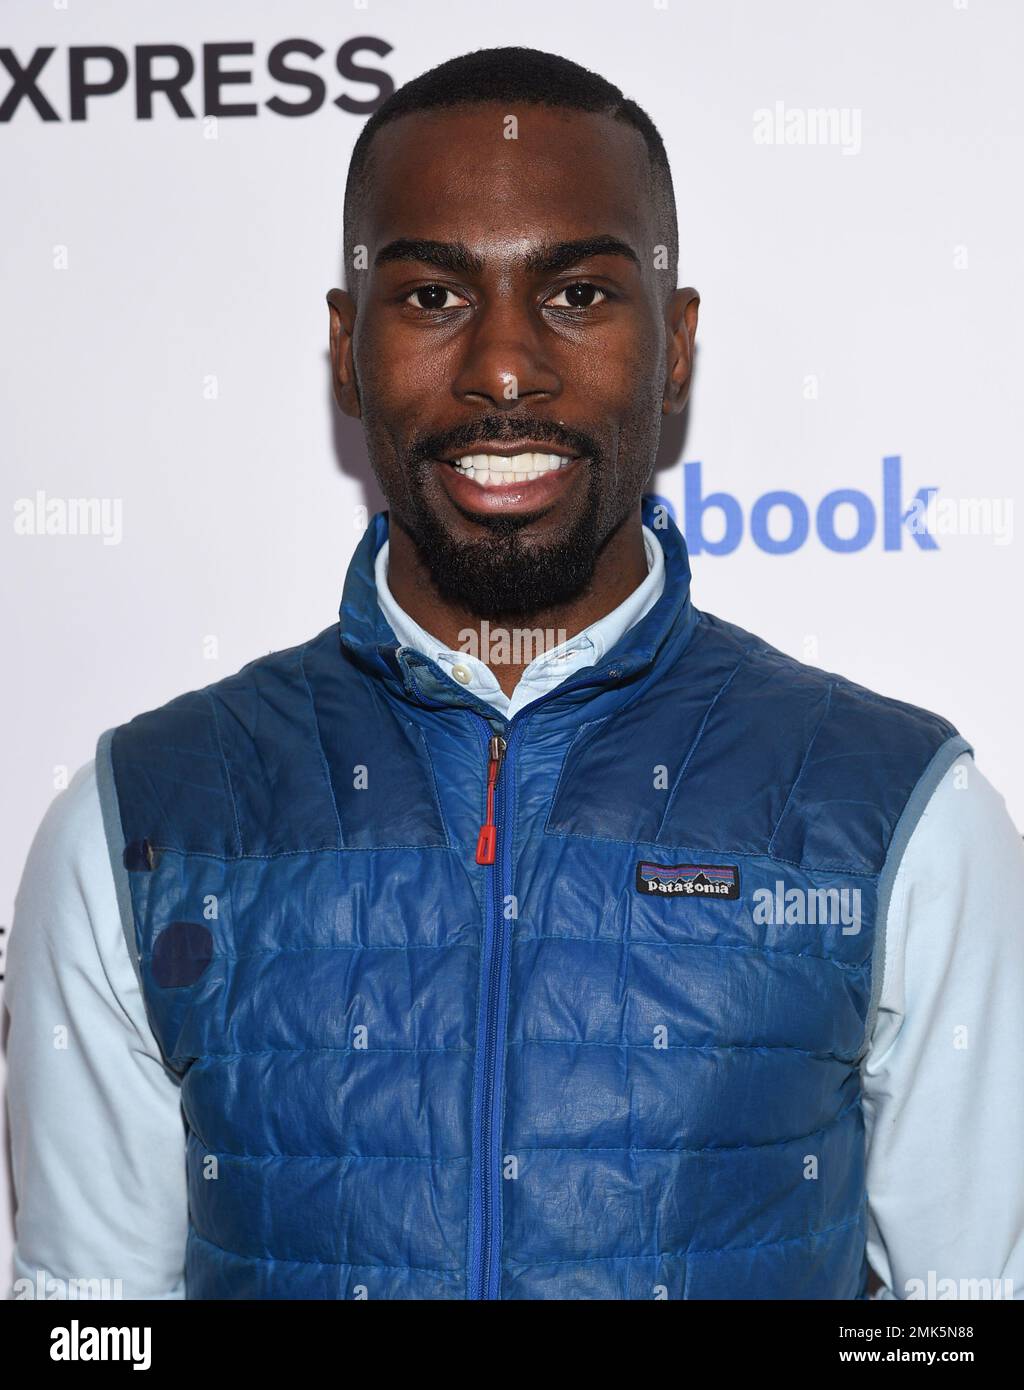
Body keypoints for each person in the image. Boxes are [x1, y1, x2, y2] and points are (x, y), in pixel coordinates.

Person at [6, 46, 1024, 1302]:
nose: (502, 367)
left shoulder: (901, 814)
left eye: (580, 294)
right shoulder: (142, 819)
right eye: (433, 296)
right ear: (346, 344)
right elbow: (89, 1333)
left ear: (676, 345)